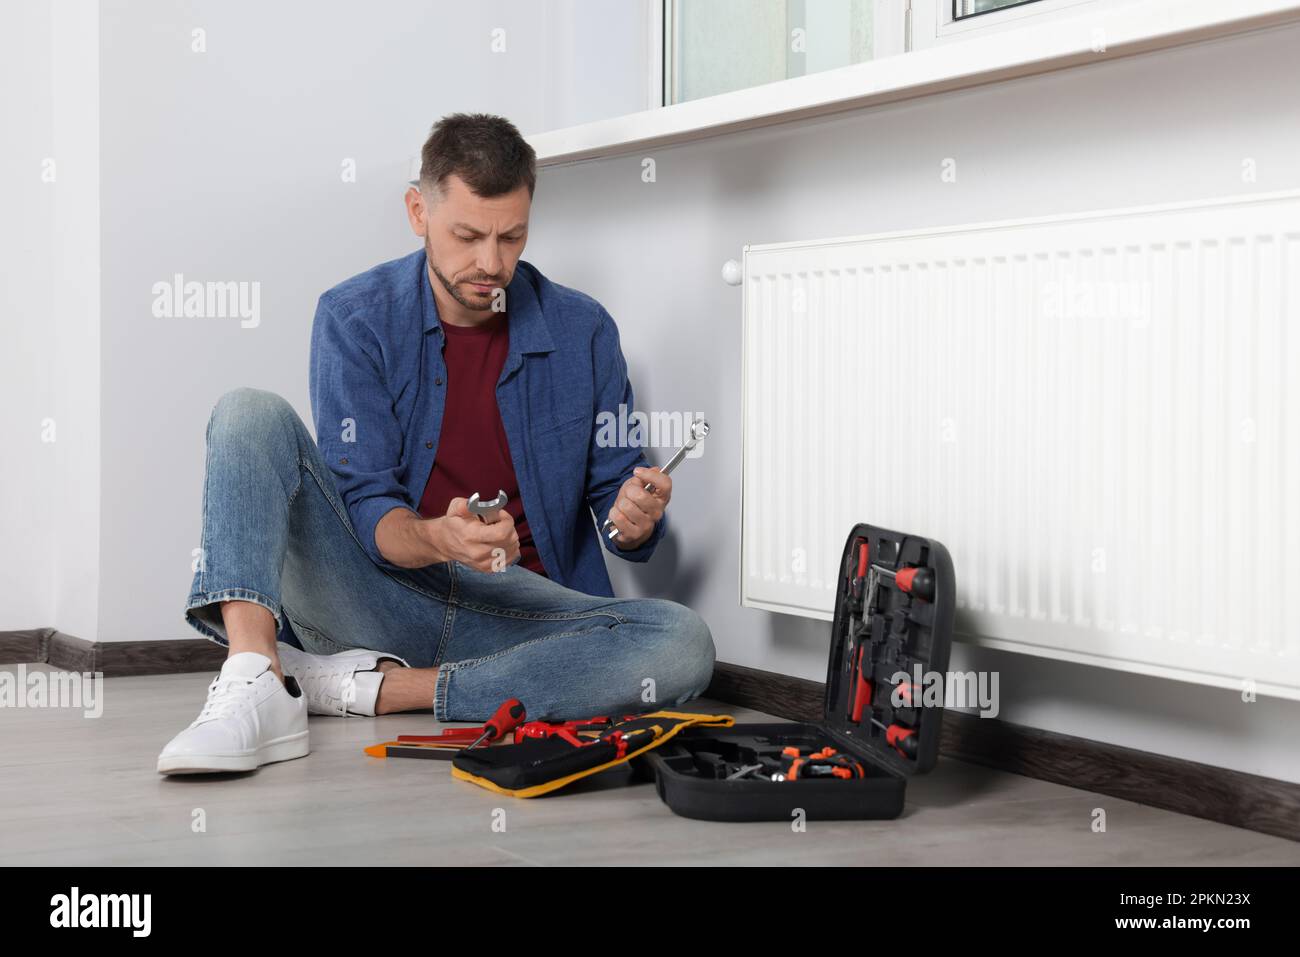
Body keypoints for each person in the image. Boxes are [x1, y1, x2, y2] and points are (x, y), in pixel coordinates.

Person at [157, 113, 715, 775]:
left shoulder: (583, 329)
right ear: (418, 211)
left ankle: (374, 687)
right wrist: (441, 539)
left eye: (512, 236)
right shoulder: (355, 317)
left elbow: (621, 524)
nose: (492, 263)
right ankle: (255, 678)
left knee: (684, 642)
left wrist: (632, 520)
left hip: (523, 618)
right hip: (384, 594)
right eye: (468, 235)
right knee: (247, 412)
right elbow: (367, 510)